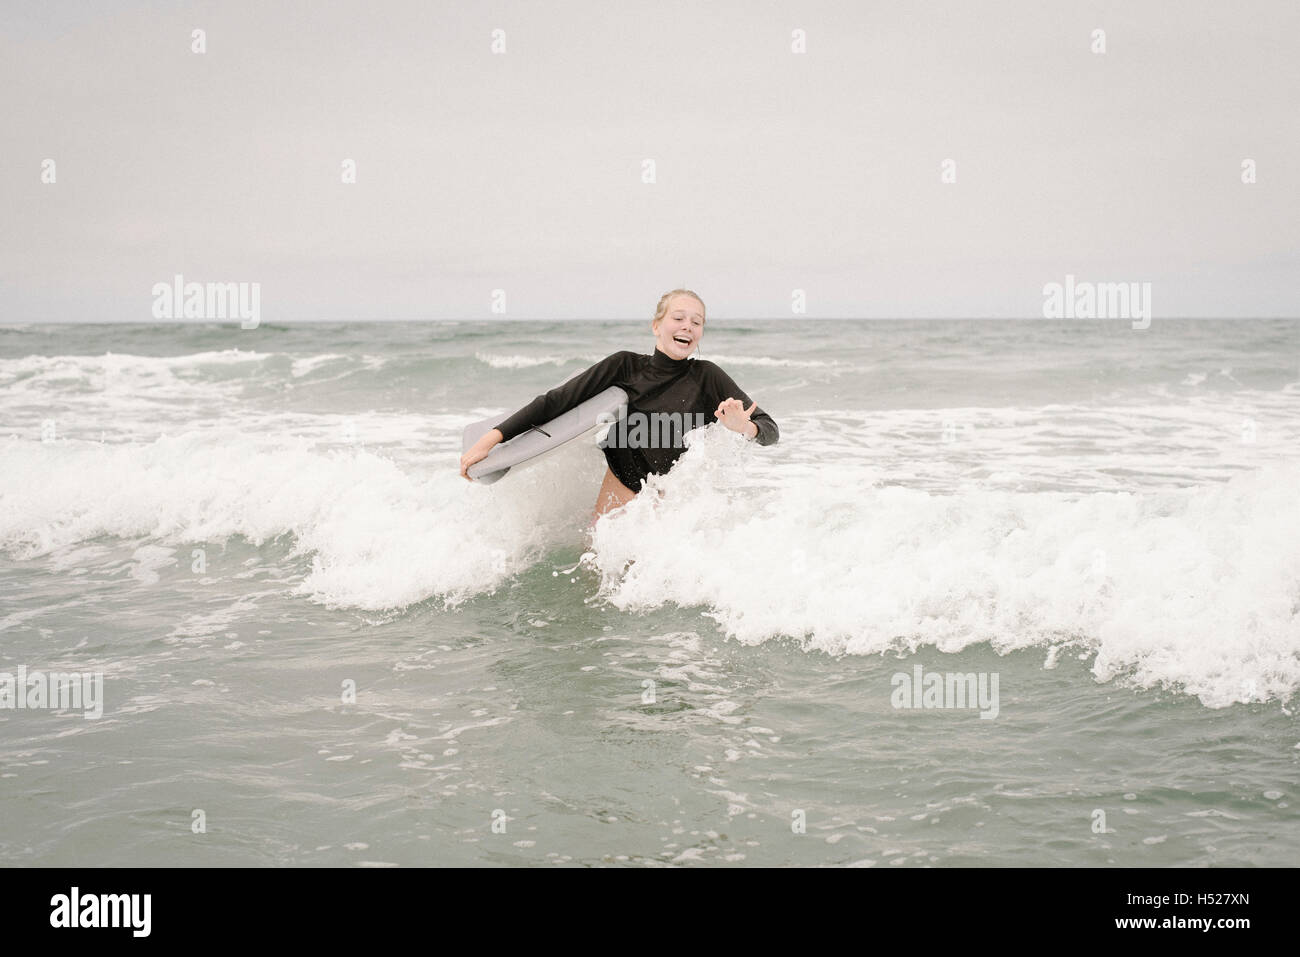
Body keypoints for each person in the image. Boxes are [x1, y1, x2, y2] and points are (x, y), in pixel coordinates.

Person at [460, 289, 779, 517]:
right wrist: (493, 437)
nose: (687, 326)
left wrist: (744, 427)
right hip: (623, 481)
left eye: (697, 322)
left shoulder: (707, 376)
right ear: (656, 325)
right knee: (600, 570)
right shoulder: (625, 366)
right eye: (678, 317)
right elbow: (557, 402)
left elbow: (769, 429)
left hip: (674, 495)